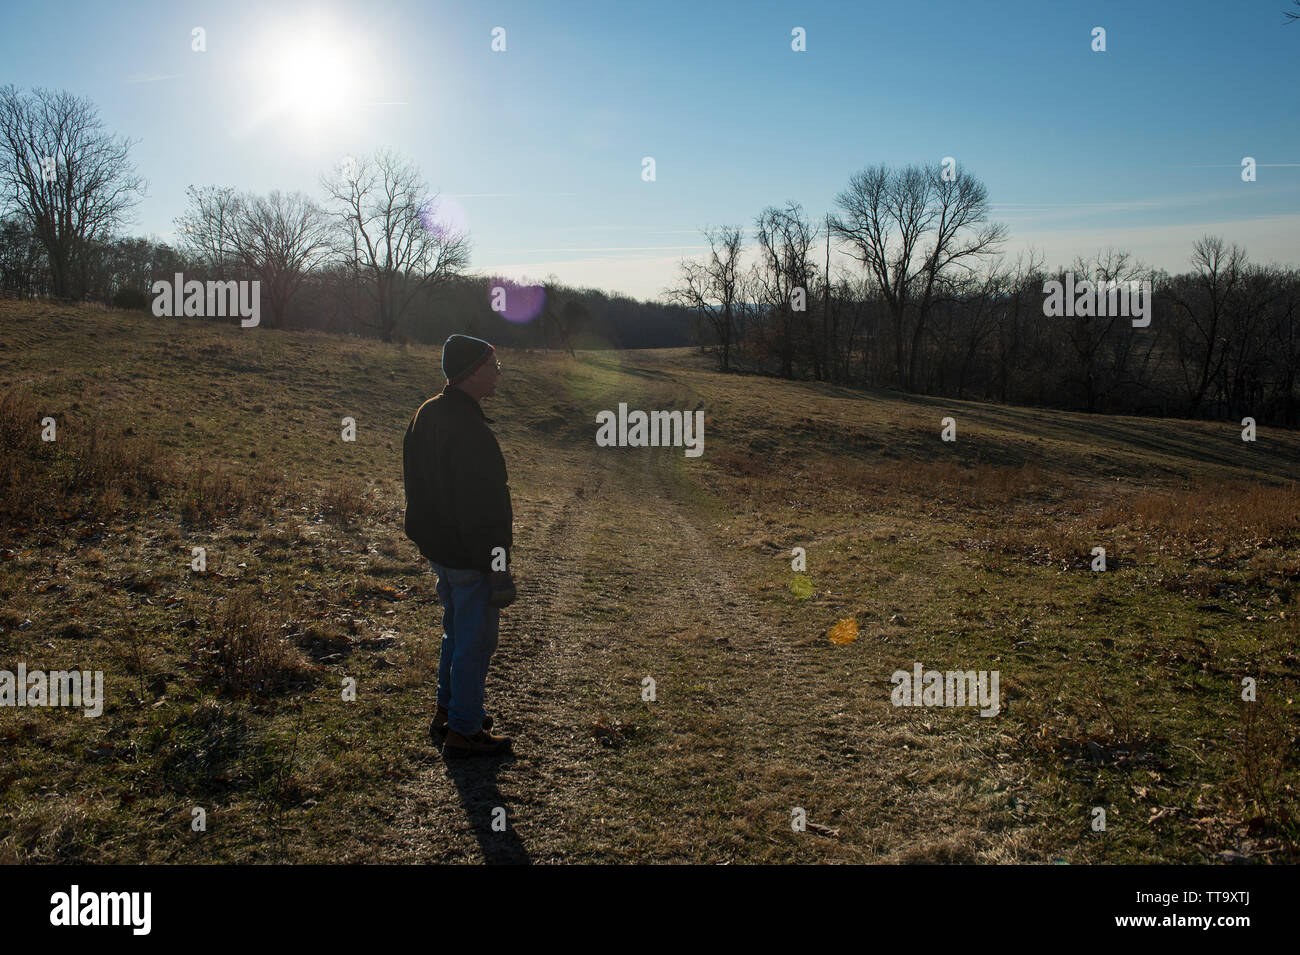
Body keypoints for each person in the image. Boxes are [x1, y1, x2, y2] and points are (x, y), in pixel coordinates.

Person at [403, 334, 516, 757]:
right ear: (471, 373)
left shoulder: (427, 413)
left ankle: (448, 710)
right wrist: (497, 566)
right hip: (470, 556)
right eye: (493, 365)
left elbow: (416, 486)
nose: (498, 373)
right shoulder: (470, 431)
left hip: (442, 552)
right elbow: (484, 511)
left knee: (456, 631)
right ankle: (465, 731)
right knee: (475, 639)